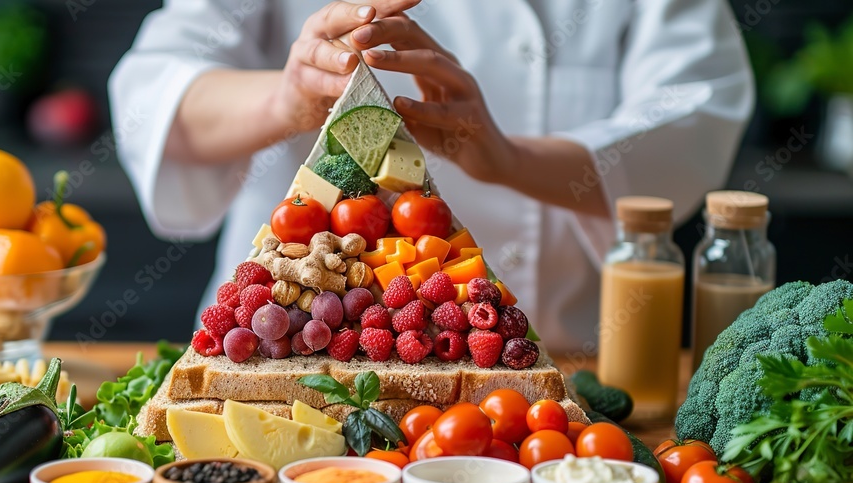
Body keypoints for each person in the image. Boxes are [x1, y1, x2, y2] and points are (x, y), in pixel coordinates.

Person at [109, 0, 753, 351]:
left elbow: (696, 107)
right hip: (292, 341)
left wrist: (509, 159)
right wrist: (289, 102)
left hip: (552, 352)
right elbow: (151, 91)